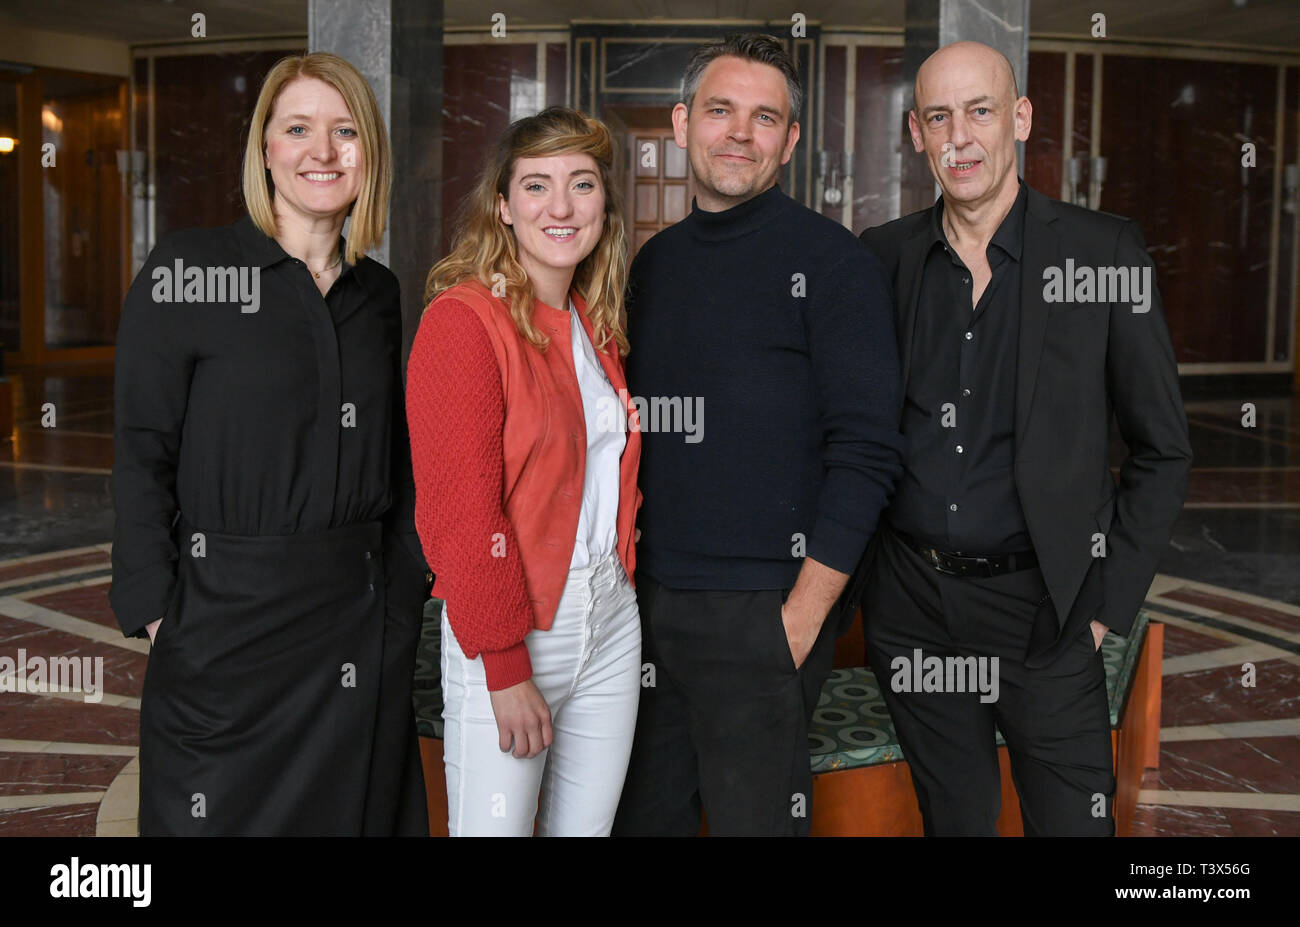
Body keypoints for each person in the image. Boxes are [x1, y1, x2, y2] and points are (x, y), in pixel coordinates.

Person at [858, 40, 1193, 836]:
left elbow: (1163, 449)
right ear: (915, 133)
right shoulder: (882, 259)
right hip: (912, 607)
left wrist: (1103, 608)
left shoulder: (1102, 252)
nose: (960, 137)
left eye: (980, 111)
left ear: (1020, 117)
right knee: (956, 819)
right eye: (939, 116)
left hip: (1046, 613)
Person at [110, 52, 430, 836]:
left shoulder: (379, 293)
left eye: (345, 131)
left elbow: (397, 459)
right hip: (223, 627)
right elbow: (141, 452)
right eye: (298, 129)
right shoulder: (188, 269)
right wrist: (160, 616)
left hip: (357, 627)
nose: (322, 151)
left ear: (370, 153)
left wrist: (402, 594)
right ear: (264, 148)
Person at [612, 34, 903, 837]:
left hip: (764, 610)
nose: (740, 132)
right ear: (682, 124)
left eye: (764, 117)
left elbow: (868, 452)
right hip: (643, 607)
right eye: (720, 110)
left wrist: (802, 619)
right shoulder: (651, 266)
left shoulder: (835, 265)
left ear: (790, 140)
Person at [406, 106, 642, 837]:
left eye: (582, 184)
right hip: (515, 626)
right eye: (537, 185)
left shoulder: (594, 322)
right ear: (503, 206)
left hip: (611, 618)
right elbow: (460, 514)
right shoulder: (463, 321)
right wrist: (505, 666)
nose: (561, 207)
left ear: (604, 204)